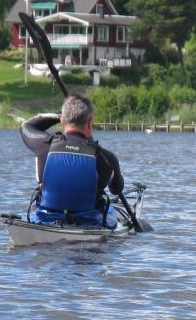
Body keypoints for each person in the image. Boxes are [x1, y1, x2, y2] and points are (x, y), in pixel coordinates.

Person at [20, 93, 124, 227]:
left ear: (63, 121)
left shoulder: (45, 145)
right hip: (89, 223)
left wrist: (60, 114)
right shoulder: (107, 158)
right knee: (110, 211)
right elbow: (116, 189)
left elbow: (25, 126)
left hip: (47, 219)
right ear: (90, 123)